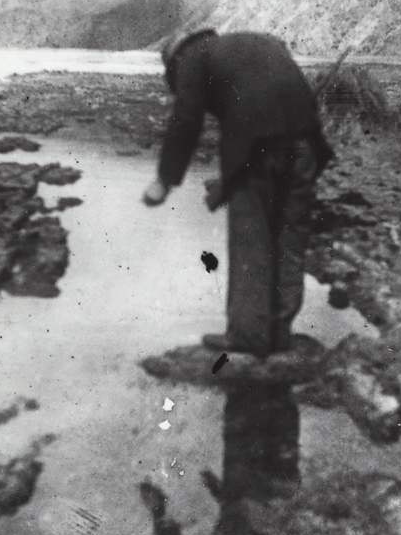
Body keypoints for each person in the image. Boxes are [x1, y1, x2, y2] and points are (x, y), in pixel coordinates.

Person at [142, 29, 333, 357]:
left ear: (173, 62)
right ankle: (278, 332)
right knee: (289, 237)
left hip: (256, 148)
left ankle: (248, 335)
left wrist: (165, 180)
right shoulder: (252, 42)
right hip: (305, 142)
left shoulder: (189, 57)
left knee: (251, 238)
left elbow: (187, 118)